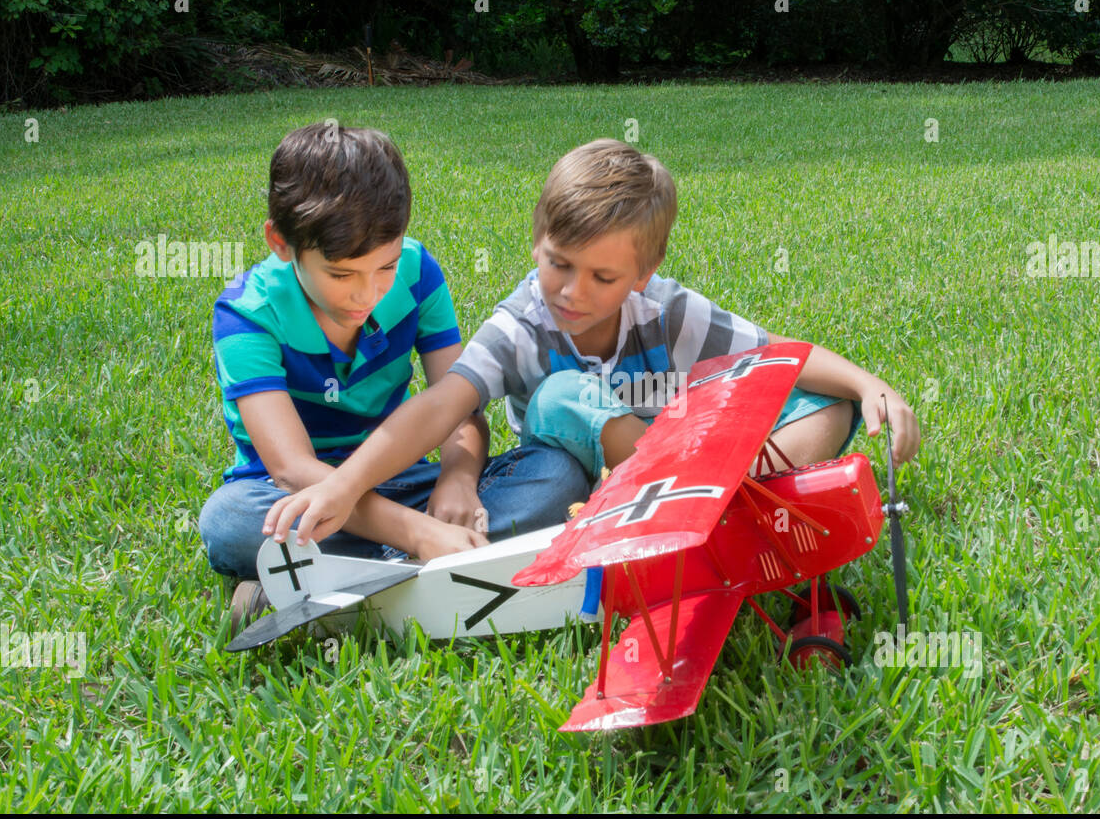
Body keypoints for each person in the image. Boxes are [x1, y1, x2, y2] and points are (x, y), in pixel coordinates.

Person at [263, 138, 920, 546]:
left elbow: (780, 358)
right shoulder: (522, 322)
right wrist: (345, 485)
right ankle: (699, 501)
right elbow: (442, 406)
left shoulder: (668, 311)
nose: (571, 291)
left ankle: (748, 497)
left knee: (819, 402)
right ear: (536, 241)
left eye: (602, 276)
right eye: (558, 263)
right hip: (598, 480)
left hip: (689, 460)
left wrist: (871, 387)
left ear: (645, 271)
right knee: (559, 392)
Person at [197, 123, 589, 633]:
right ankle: (432, 563)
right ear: (282, 242)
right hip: (290, 498)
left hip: (401, 480)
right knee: (228, 523)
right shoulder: (247, 314)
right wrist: (418, 532)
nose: (367, 294)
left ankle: (335, 584)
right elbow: (292, 468)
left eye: (384, 267)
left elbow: (458, 406)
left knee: (557, 474)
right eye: (341, 275)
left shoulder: (418, 272)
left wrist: (458, 480)